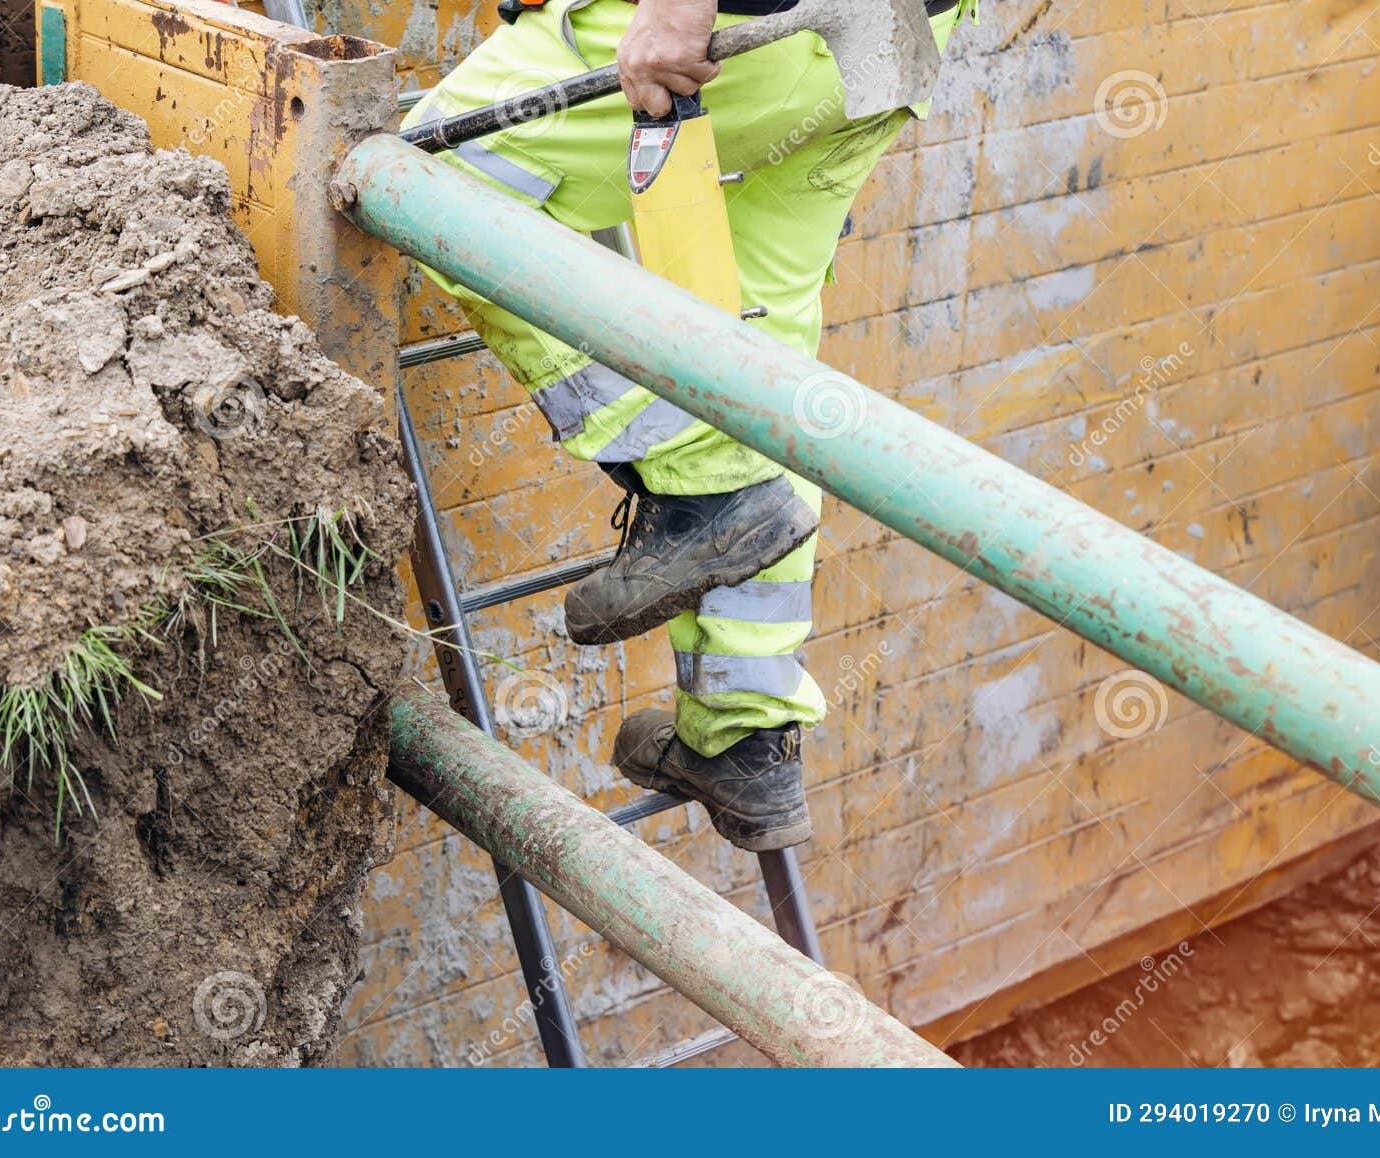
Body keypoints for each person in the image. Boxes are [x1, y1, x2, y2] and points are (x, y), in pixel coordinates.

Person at [407, 0, 975, 851]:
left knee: (431, 172)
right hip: (894, 40)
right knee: (759, 341)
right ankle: (743, 734)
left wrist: (675, 12)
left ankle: (706, 482)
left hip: (750, 35)